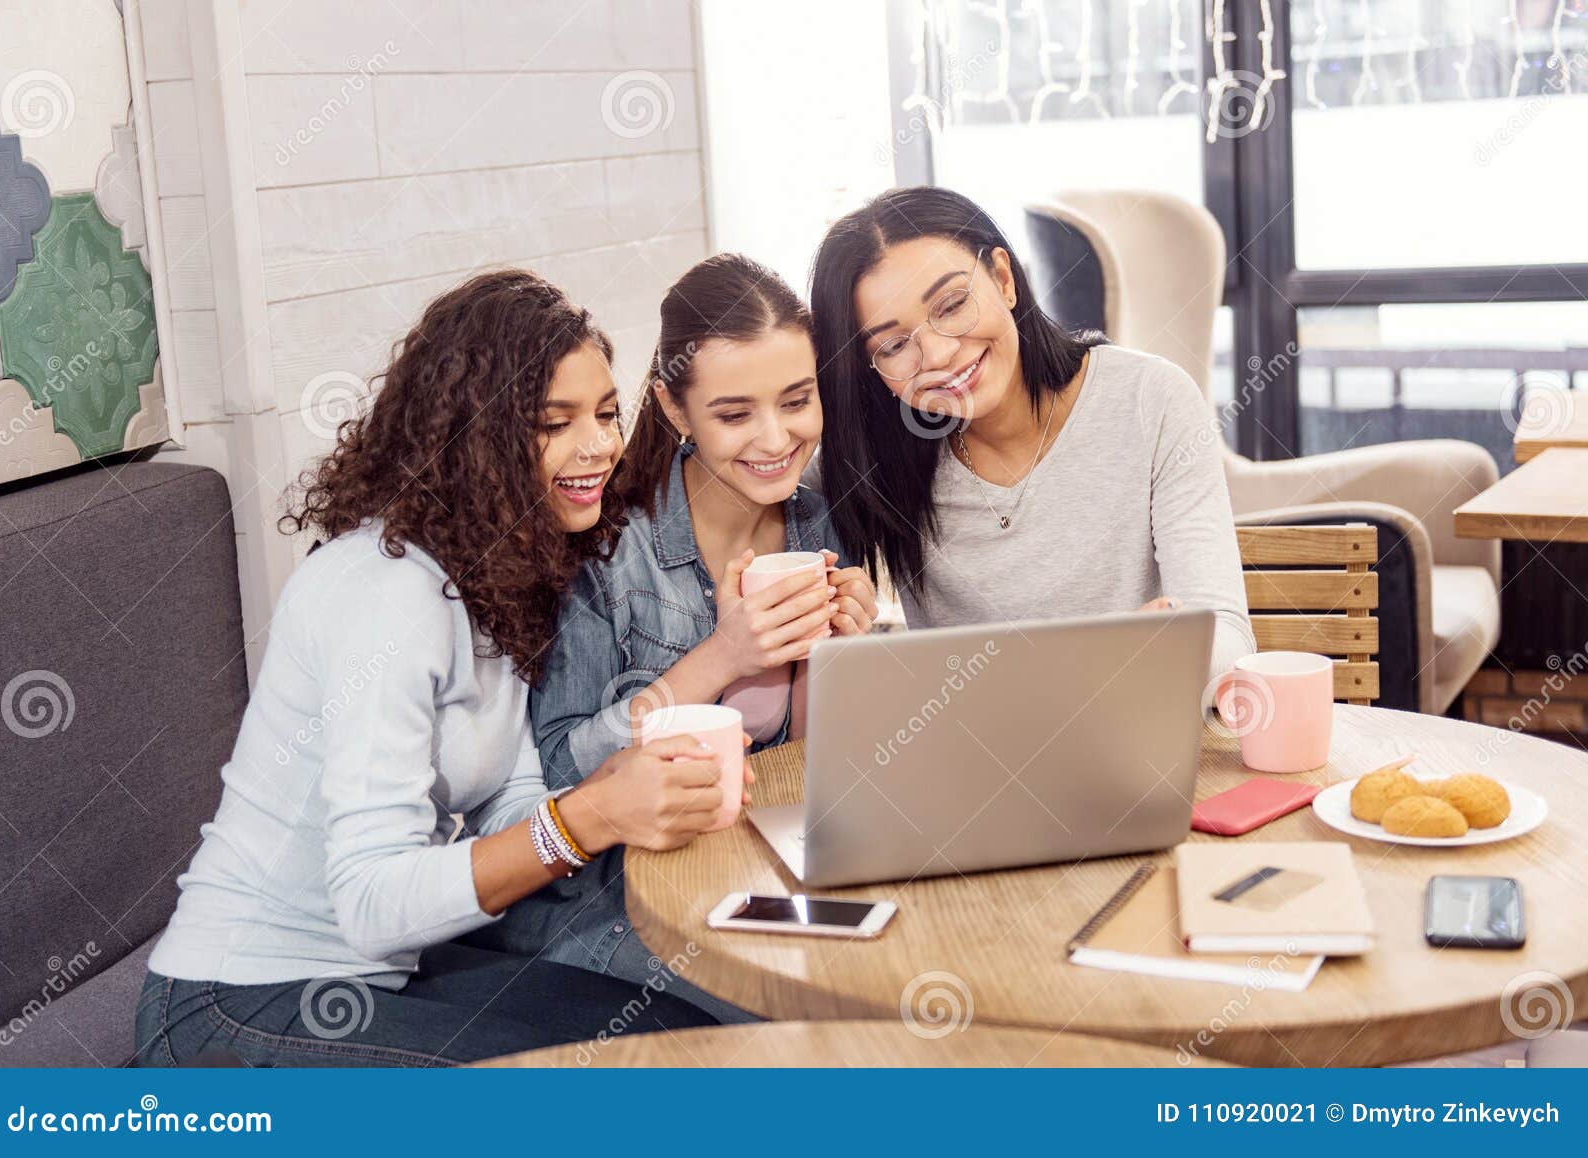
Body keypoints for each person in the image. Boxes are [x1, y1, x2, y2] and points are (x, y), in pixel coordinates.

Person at [134, 271, 730, 1067]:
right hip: (233, 1004)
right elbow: (373, 905)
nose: (599, 446)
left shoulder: (495, 578)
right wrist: (592, 817)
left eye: (605, 413)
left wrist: (610, 788)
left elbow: (511, 801)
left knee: (678, 1037)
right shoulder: (390, 595)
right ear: (475, 439)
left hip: (379, 977)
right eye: (556, 423)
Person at [501, 254, 877, 997]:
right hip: (617, 895)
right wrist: (723, 656)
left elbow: (802, 765)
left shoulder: (826, 512)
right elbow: (555, 781)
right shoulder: (606, 545)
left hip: (763, 863)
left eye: (797, 401)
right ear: (675, 410)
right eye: (734, 415)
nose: (776, 440)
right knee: (811, 1012)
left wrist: (844, 660)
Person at [807, 186, 1254, 674]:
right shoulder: (872, 450)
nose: (937, 356)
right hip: (963, 746)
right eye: (893, 345)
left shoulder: (1150, 399)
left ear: (1003, 279)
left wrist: (1165, 651)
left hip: (1126, 740)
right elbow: (752, 485)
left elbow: (1226, 635)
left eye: (953, 304)